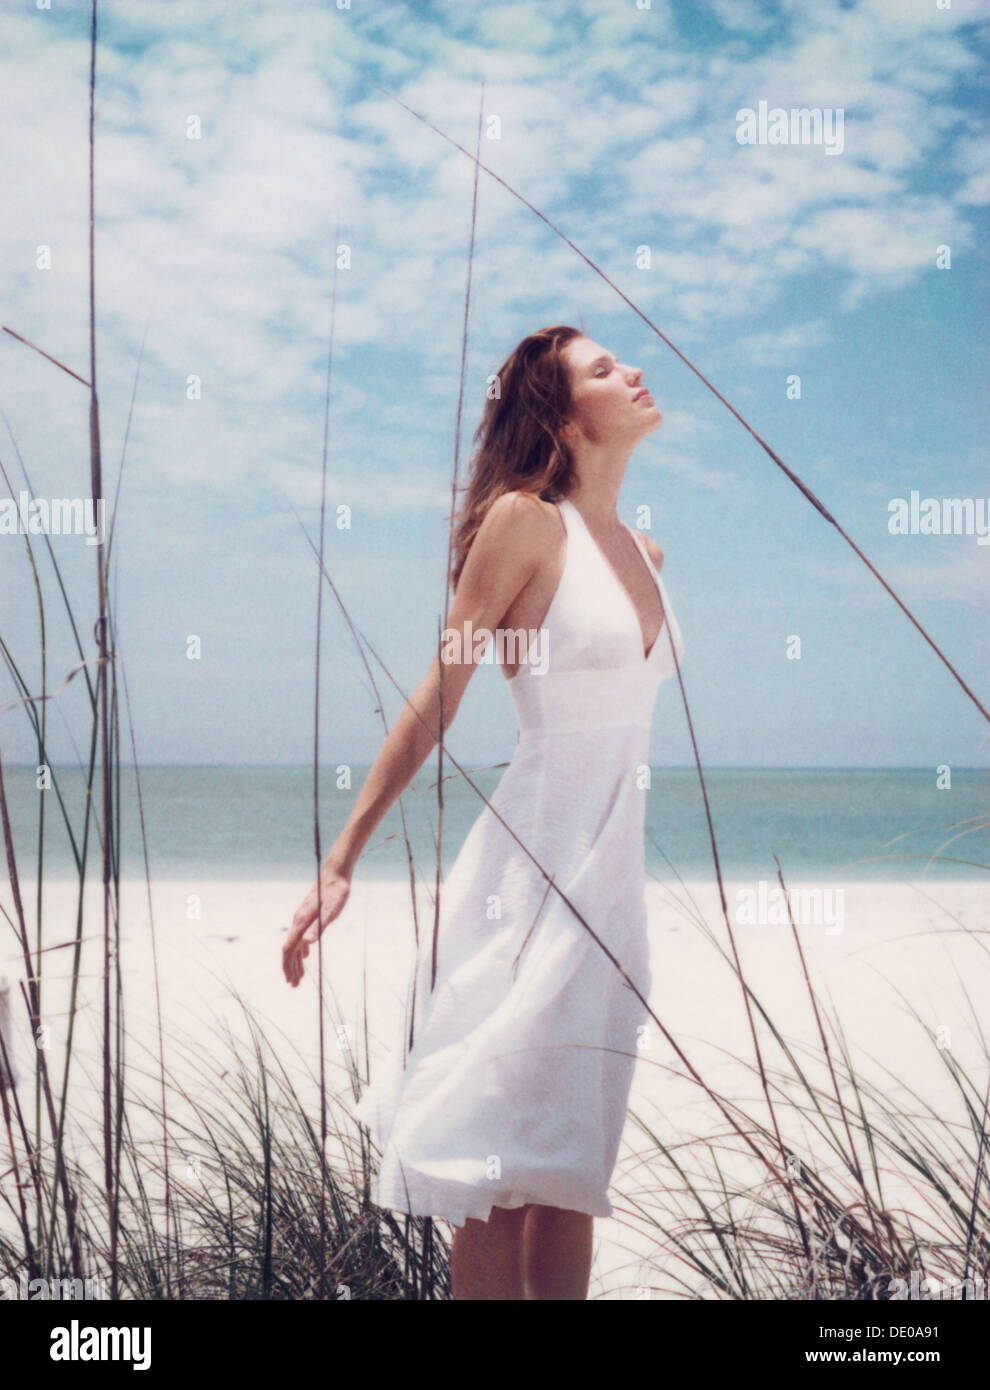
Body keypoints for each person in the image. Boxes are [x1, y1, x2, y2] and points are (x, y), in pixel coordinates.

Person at [282, 324, 685, 1299]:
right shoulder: (525, 523)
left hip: (613, 897)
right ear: (559, 413)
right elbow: (441, 690)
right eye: (601, 369)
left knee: (570, 1179)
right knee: (501, 1175)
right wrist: (345, 853)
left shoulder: (646, 547)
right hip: (528, 882)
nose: (631, 371)